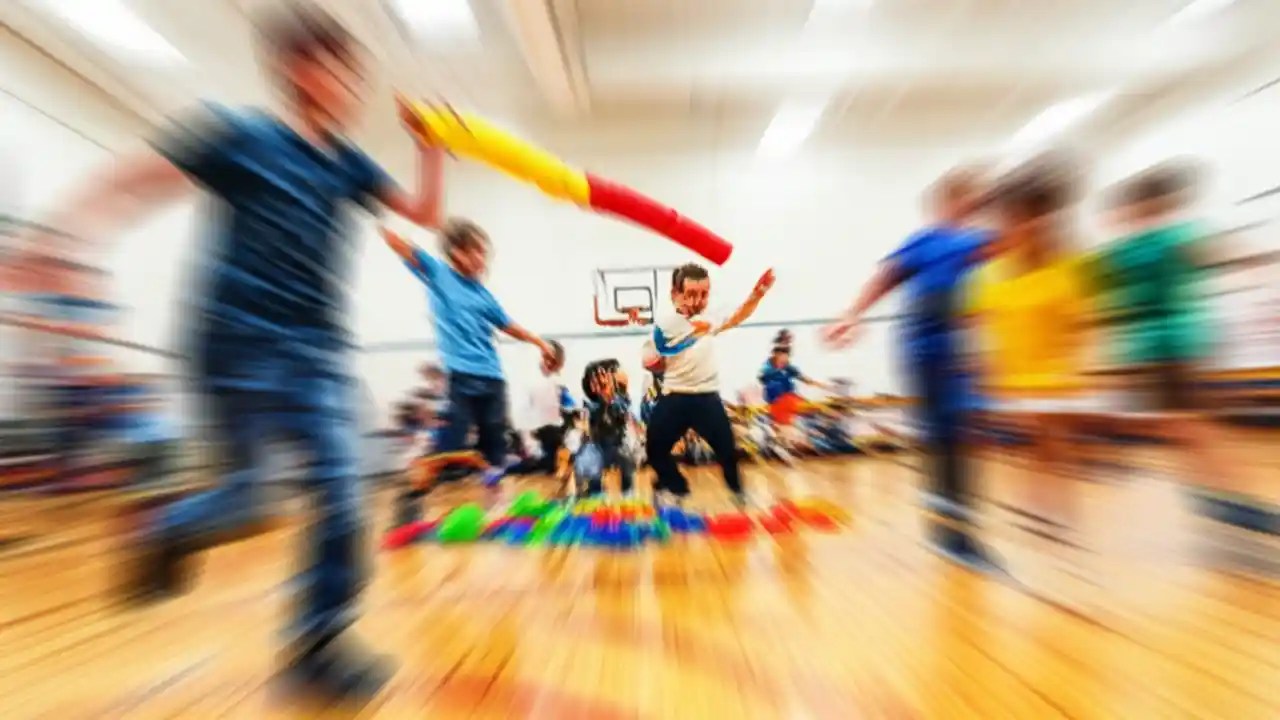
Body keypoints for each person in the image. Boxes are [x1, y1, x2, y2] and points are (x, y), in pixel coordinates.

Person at [20, 6, 446, 699]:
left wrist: (431, 149)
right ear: (303, 71)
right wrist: (61, 240)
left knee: (342, 494)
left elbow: (424, 213)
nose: (356, 86)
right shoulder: (243, 137)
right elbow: (135, 179)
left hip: (319, 353)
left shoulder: (350, 166)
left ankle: (318, 645)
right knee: (251, 498)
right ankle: (165, 527)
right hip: (236, 345)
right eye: (345, 70)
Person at [824, 167, 1013, 567]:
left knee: (962, 431)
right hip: (926, 347)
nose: (978, 206)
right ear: (952, 200)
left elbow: (1011, 248)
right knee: (945, 431)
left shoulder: (981, 241)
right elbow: (885, 278)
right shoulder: (926, 241)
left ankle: (958, 524)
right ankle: (949, 524)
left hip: (962, 346)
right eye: (972, 198)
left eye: (982, 200)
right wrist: (851, 314)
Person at [1091, 162, 1254, 510]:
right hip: (1171, 345)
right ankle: (1215, 493)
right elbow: (1230, 255)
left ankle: (1226, 494)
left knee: (1187, 425)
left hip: (1170, 346)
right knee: (1186, 425)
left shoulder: (1142, 246)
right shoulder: (1173, 238)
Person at [381, 222, 559, 533]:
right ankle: (412, 496)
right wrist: (396, 219)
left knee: (495, 446)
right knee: (450, 441)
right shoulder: (438, 274)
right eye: (476, 251)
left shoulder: (484, 295)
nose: (482, 259)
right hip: (460, 378)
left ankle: (497, 505)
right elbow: (402, 246)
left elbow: (507, 324)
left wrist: (539, 341)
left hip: (492, 378)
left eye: (484, 253)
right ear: (457, 253)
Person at [966, 165, 1092, 531]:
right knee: (1037, 440)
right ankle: (1041, 503)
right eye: (1014, 219)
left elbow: (1083, 323)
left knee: (1051, 437)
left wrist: (1086, 369)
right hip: (1018, 374)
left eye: (1032, 218)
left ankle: (1056, 506)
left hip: (1058, 373)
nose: (1023, 228)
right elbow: (983, 324)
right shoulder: (991, 274)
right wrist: (987, 370)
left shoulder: (1070, 267)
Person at [644, 263, 775, 509]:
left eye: (704, 294)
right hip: (674, 397)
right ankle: (676, 487)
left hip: (707, 400)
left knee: (727, 451)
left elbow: (738, 316)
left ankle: (737, 491)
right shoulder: (665, 325)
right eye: (691, 294)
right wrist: (657, 362)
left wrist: (757, 294)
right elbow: (653, 358)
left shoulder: (708, 320)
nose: (698, 300)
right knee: (654, 449)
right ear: (676, 294)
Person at [573, 361, 638, 497]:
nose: (599, 386)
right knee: (589, 463)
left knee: (625, 460)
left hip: (619, 445)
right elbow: (591, 418)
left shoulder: (621, 400)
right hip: (598, 447)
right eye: (594, 382)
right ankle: (593, 494)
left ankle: (628, 494)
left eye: (603, 382)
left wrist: (611, 398)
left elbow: (622, 410)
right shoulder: (590, 405)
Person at [517, 340, 568, 474]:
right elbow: (522, 417)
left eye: (553, 359)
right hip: (535, 439)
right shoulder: (529, 382)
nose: (549, 362)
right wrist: (530, 443)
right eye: (546, 357)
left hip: (552, 436)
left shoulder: (557, 385)